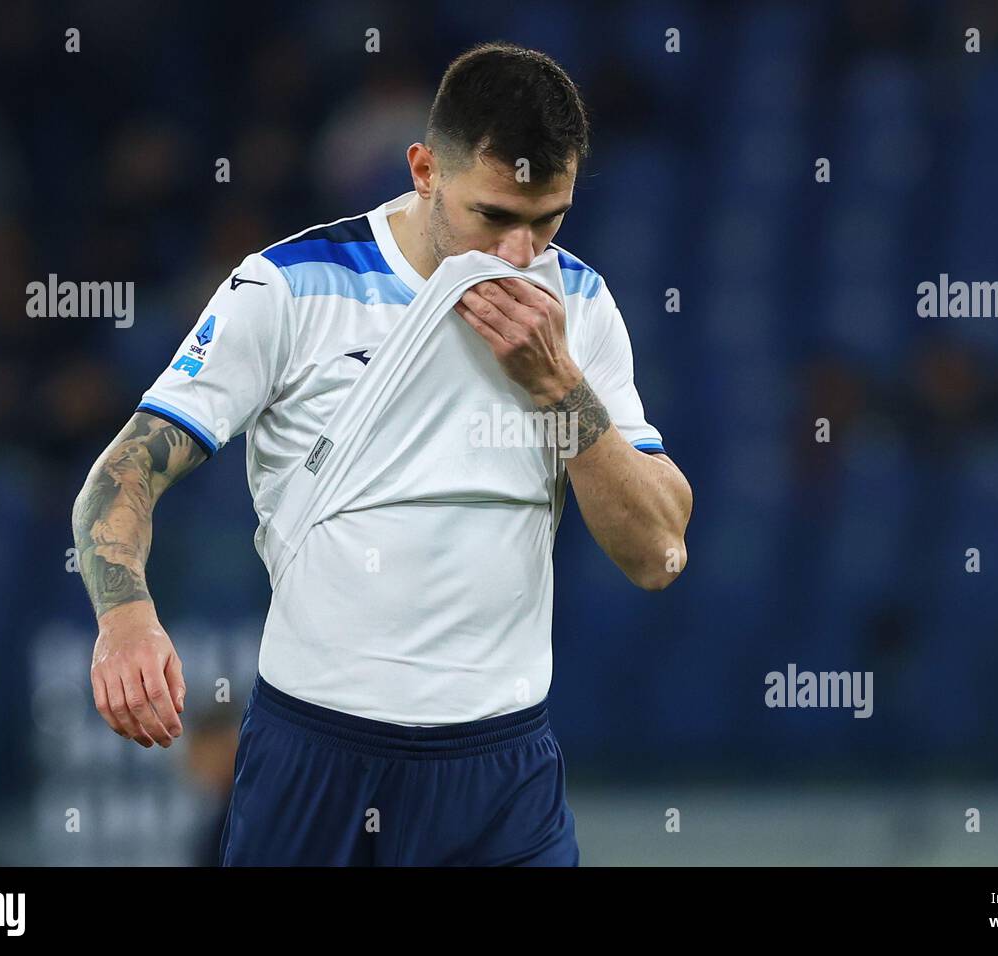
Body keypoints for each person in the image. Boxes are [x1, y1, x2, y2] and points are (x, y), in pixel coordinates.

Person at [72, 41, 692, 866]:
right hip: (317, 761)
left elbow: (658, 552)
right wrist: (125, 617)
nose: (519, 256)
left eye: (547, 221)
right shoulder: (290, 287)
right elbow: (123, 474)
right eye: (494, 217)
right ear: (425, 169)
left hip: (503, 777)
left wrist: (562, 392)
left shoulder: (577, 303)